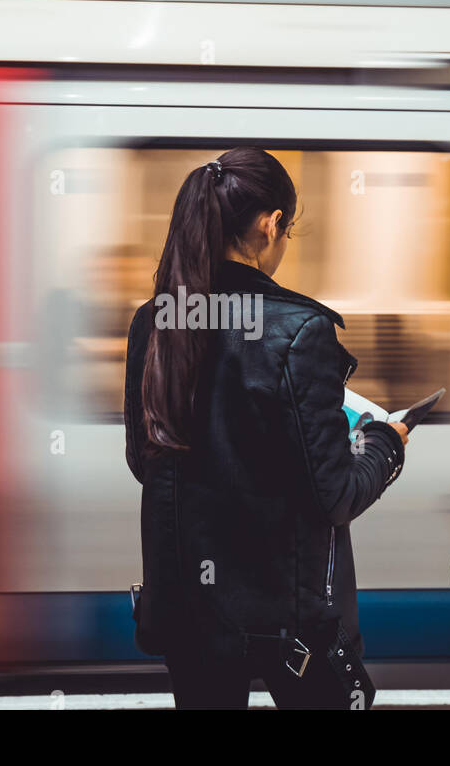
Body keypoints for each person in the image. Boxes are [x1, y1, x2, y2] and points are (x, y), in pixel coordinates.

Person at [123, 147, 409, 709]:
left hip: (188, 613)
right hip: (288, 623)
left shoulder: (155, 321)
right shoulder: (302, 331)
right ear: (270, 223)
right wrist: (385, 444)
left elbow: (146, 461)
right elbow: (336, 495)